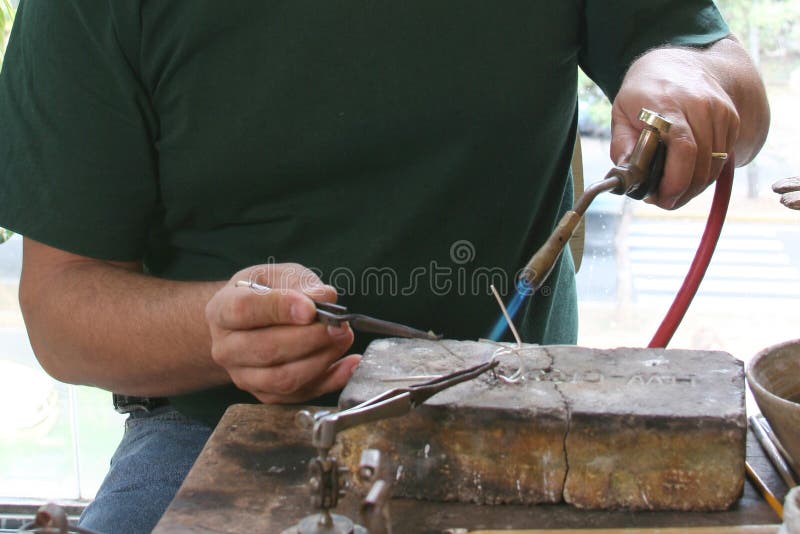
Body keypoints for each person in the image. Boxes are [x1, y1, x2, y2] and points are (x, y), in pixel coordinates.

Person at [0, 1, 769, 532]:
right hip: (219, 428)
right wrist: (216, 330)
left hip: (521, 412)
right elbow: (61, 306)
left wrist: (692, 81)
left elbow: (730, 80)